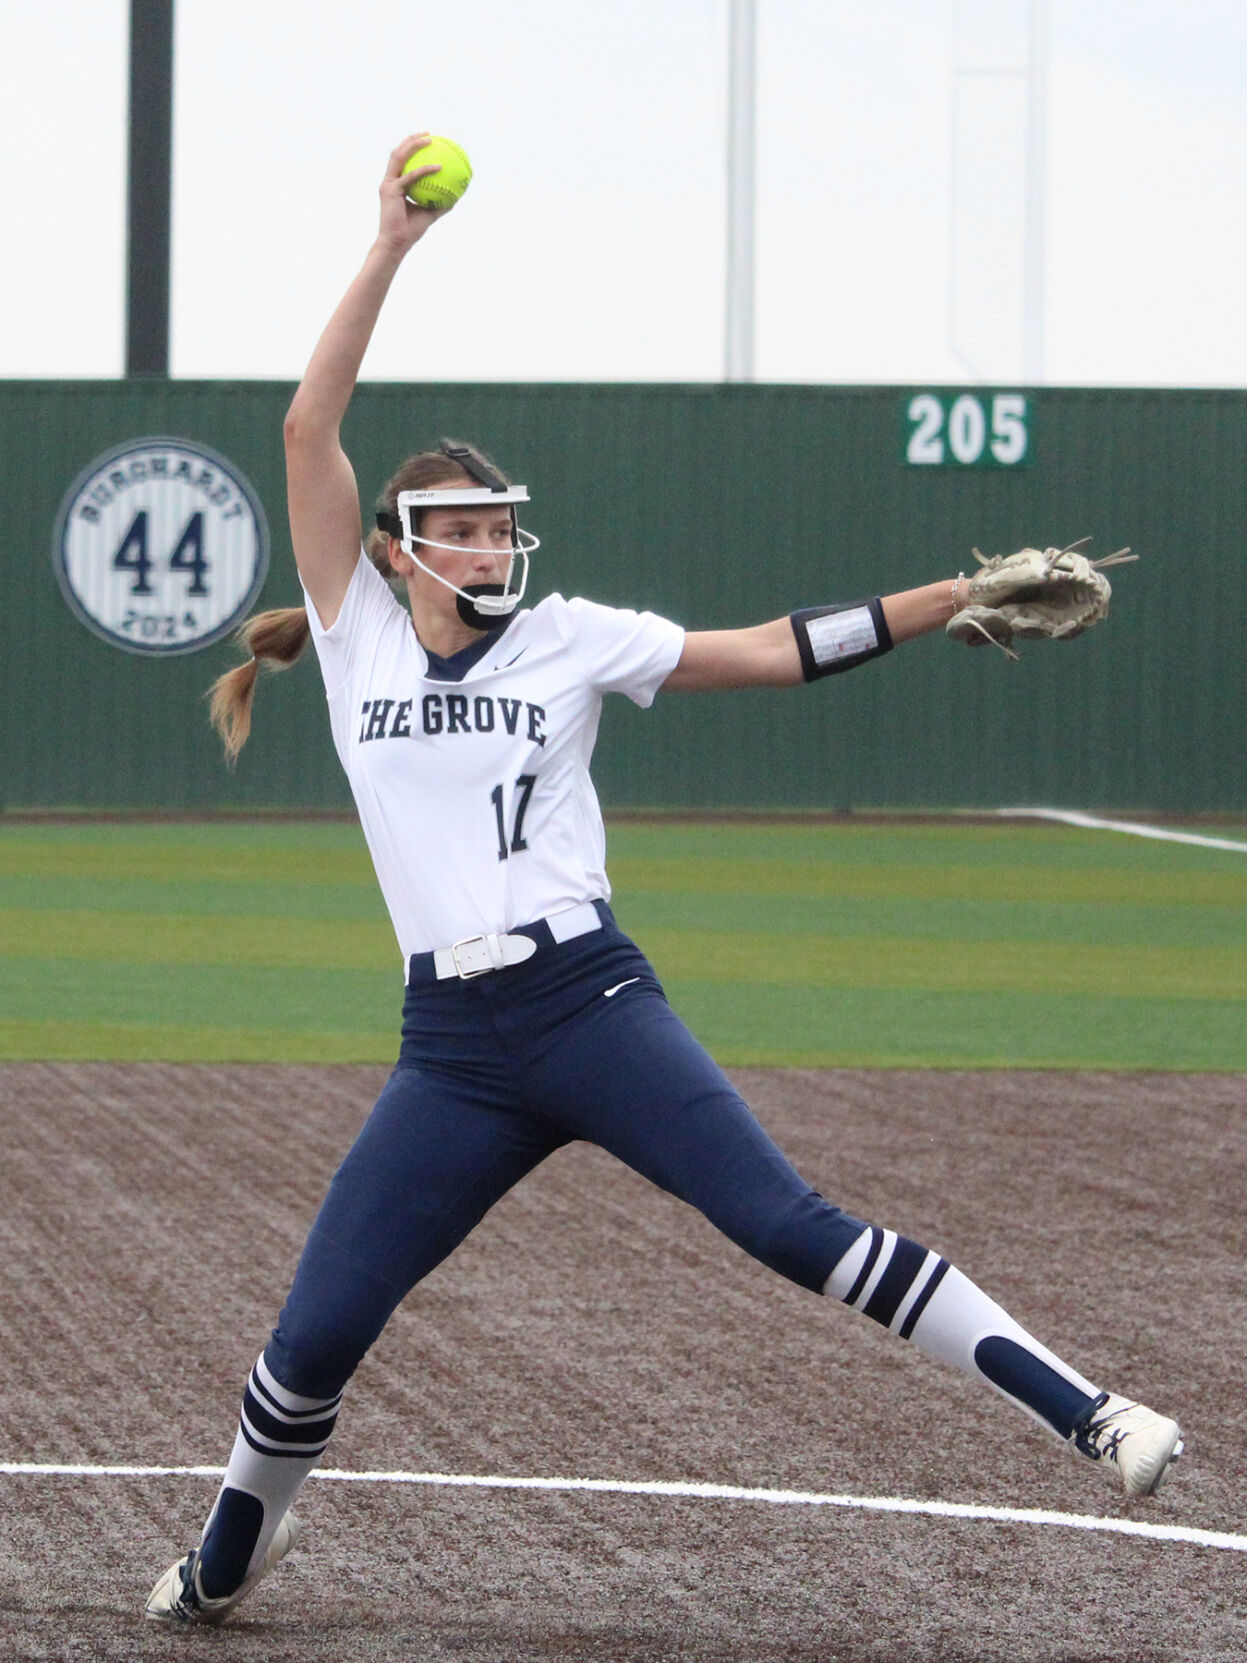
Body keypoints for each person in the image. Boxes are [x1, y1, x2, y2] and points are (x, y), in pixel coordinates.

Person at [146, 135, 1183, 1626]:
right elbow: (311, 426)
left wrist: (948, 594)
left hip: (586, 1000)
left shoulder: (567, 632)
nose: (493, 543)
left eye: (503, 522)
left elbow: (763, 649)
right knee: (315, 1334)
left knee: (789, 1227)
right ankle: (228, 1563)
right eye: (465, 529)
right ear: (400, 552)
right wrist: (388, 246)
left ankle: (1090, 1412)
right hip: (450, 1050)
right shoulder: (360, 632)